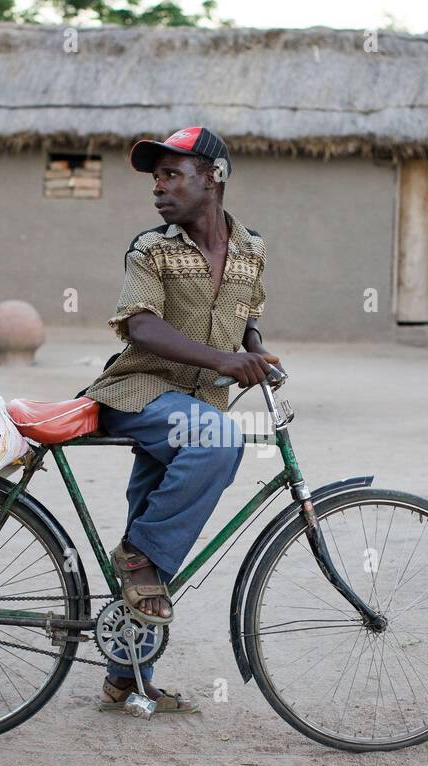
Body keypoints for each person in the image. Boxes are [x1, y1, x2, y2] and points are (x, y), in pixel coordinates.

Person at [79, 127, 283, 714]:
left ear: (213, 177)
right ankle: (139, 558)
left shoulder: (252, 250)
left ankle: (125, 678)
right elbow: (139, 325)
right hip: (141, 394)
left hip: (198, 406)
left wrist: (255, 349)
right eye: (156, 178)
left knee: (152, 528)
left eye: (172, 175)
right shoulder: (152, 249)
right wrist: (224, 359)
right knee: (219, 443)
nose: (159, 189)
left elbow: (248, 317)